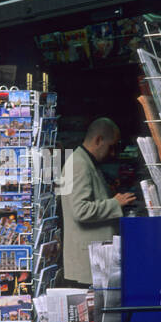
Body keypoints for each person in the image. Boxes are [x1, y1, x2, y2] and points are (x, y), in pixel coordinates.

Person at [59, 117, 135, 286]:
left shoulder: (83, 161)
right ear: (98, 140)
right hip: (86, 265)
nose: (113, 153)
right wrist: (116, 203)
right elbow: (81, 210)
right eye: (111, 147)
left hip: (92, 260)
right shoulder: (78, 164)